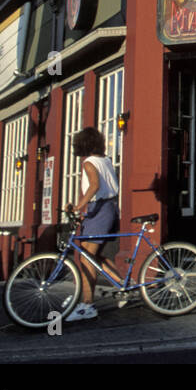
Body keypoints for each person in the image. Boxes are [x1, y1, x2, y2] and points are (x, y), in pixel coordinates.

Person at [67, 127, 120, 322]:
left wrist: (79, 207)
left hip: (99, 209)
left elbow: (95, 185)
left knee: (86, 258)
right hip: (110, 208)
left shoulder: (88, 162)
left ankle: (87, 305)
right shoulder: (105, 161)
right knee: (92, 255)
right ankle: (123, 284)